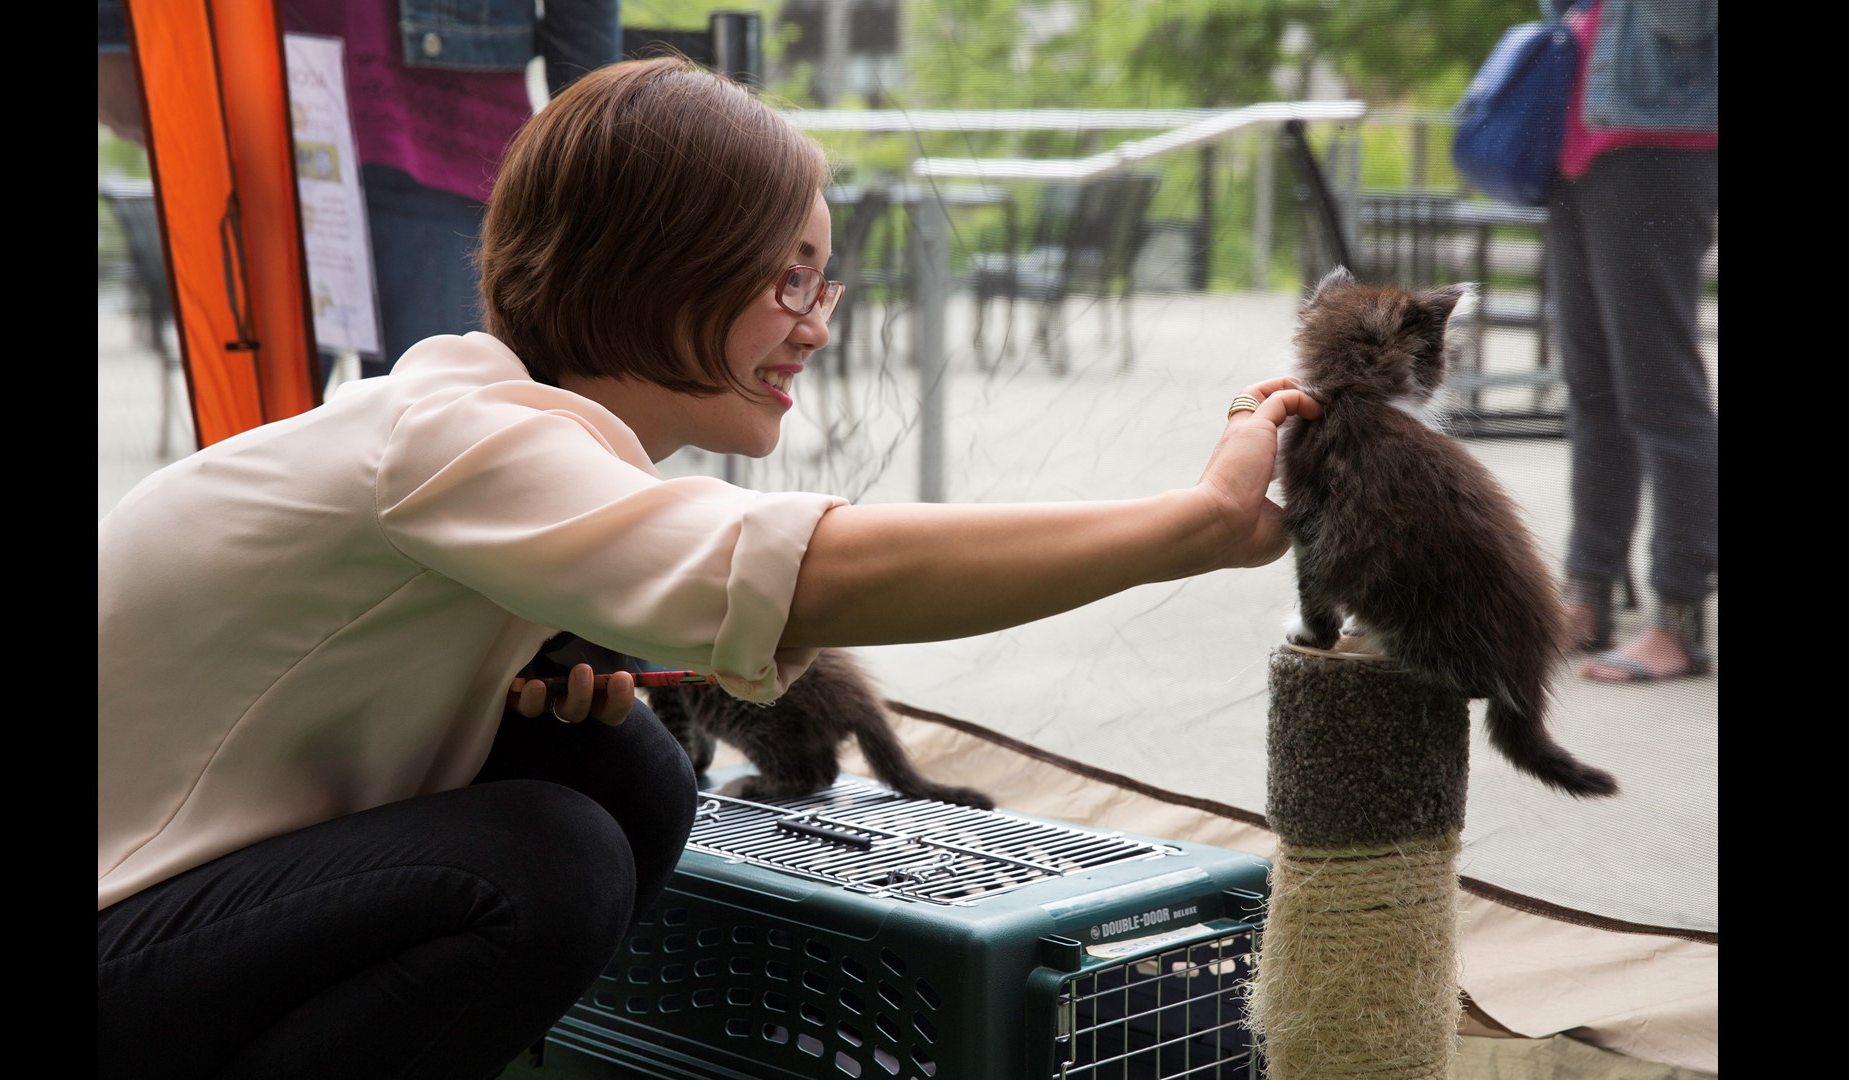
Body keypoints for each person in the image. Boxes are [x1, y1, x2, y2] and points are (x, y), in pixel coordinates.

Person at [97, 57, 1320, 1080]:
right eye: (787, 275)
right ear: (661, 264)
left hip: (176, 900)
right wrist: (1193, 522)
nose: (818, 321)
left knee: (619, 763)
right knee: (542, 863)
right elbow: (805, 571)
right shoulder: (462, 440)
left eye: (820, 277)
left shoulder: (485, 427)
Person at [278, 0, 623, 385]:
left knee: (432, 411)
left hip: (441, 134)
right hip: (270, 98)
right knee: (257, 423)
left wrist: (595, 166)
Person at [1541, 0, 1717, 683]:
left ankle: (1680, 621)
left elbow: (1682, 22)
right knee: (1592, 391)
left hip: (1660, 154)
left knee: (1659, 390)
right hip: (1579, 152)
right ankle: (1588, 596)